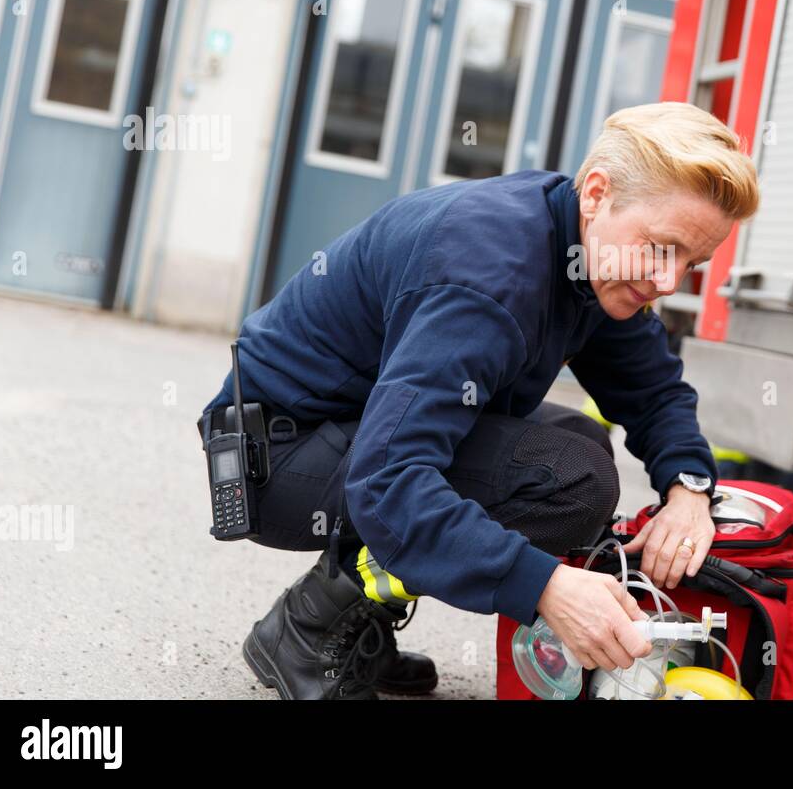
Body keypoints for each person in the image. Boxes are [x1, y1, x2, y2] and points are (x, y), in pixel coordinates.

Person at [196, 101, 760, 699]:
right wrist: (544, 585)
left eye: (692, 264)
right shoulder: (490, 275)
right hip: (277, 456)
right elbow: (388, 480)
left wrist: (689, 489)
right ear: (598, 192)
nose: (669, 281)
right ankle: (311, 622)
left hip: (353, 430)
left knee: (579, 445)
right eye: (662, 248)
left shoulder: (593, 251)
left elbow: (651, 388)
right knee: (569, 479)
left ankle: (359, 616)